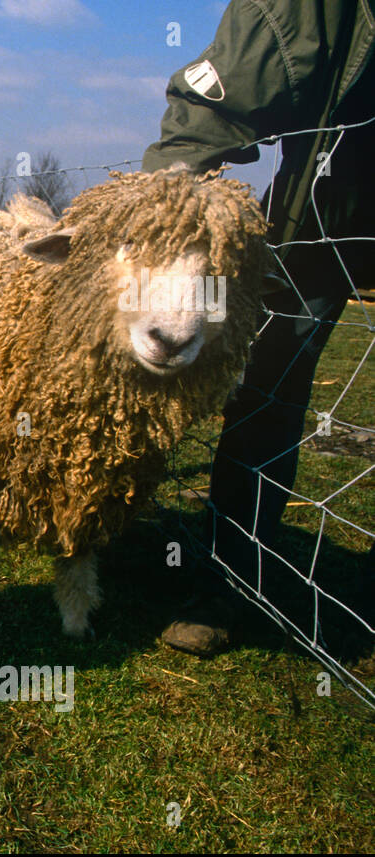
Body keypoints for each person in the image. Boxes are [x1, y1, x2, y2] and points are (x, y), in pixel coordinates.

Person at [141, 0, 375, 655]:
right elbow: (223, 94)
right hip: (332, 210)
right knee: (268, 377)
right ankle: (233, 574)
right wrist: (157, 209)